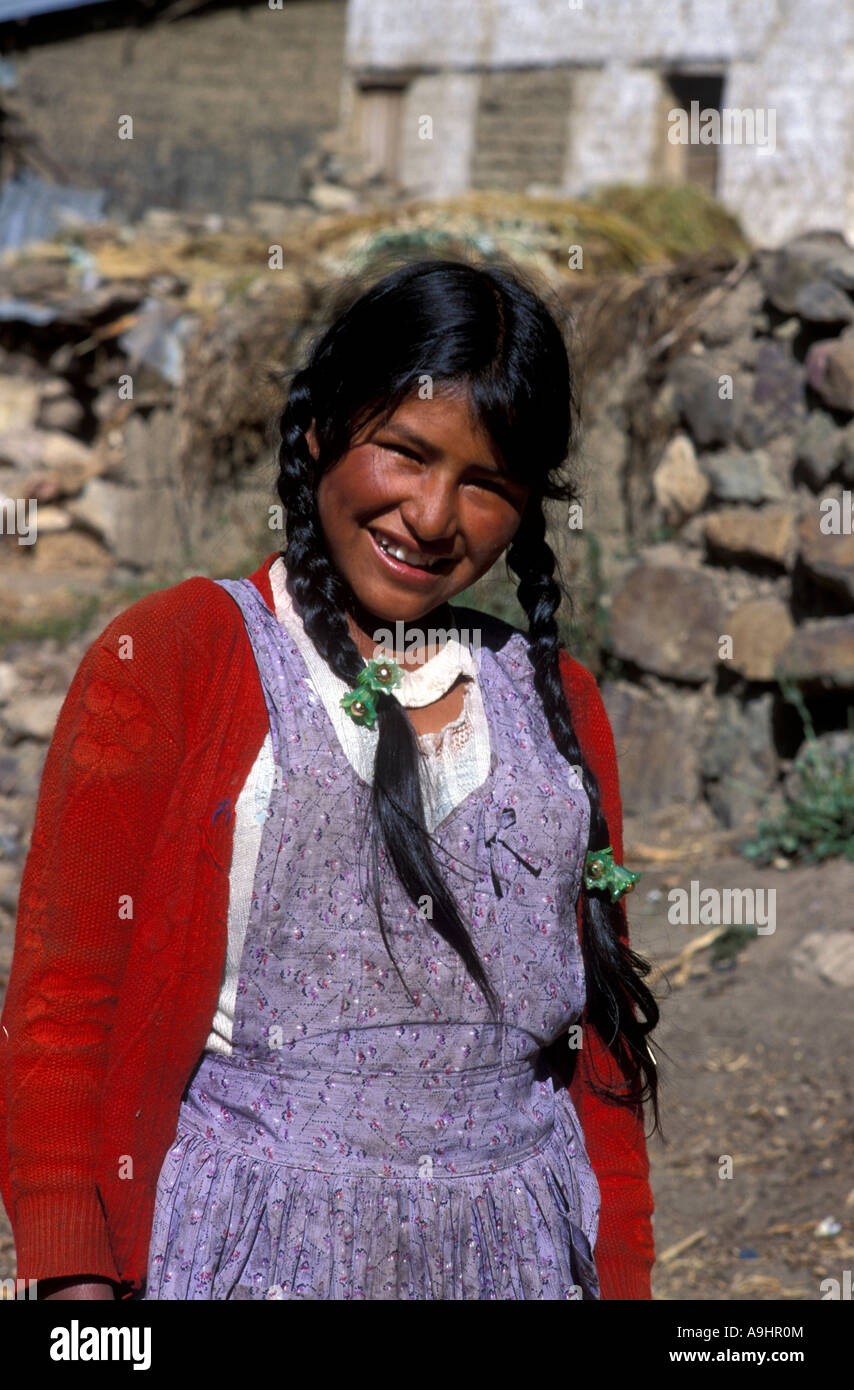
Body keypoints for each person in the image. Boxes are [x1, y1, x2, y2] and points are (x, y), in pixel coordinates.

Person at [0, 256, 660, 1301]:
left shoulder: (556, 704)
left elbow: (600, 1051)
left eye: (485, 483)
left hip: (515, 1257)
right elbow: (64, 1001)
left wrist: (622, 1278)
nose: (434, 515)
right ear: (318, 432)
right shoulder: (177, 657)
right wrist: (74, 1276)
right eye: (404, 453)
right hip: (246, 1250)